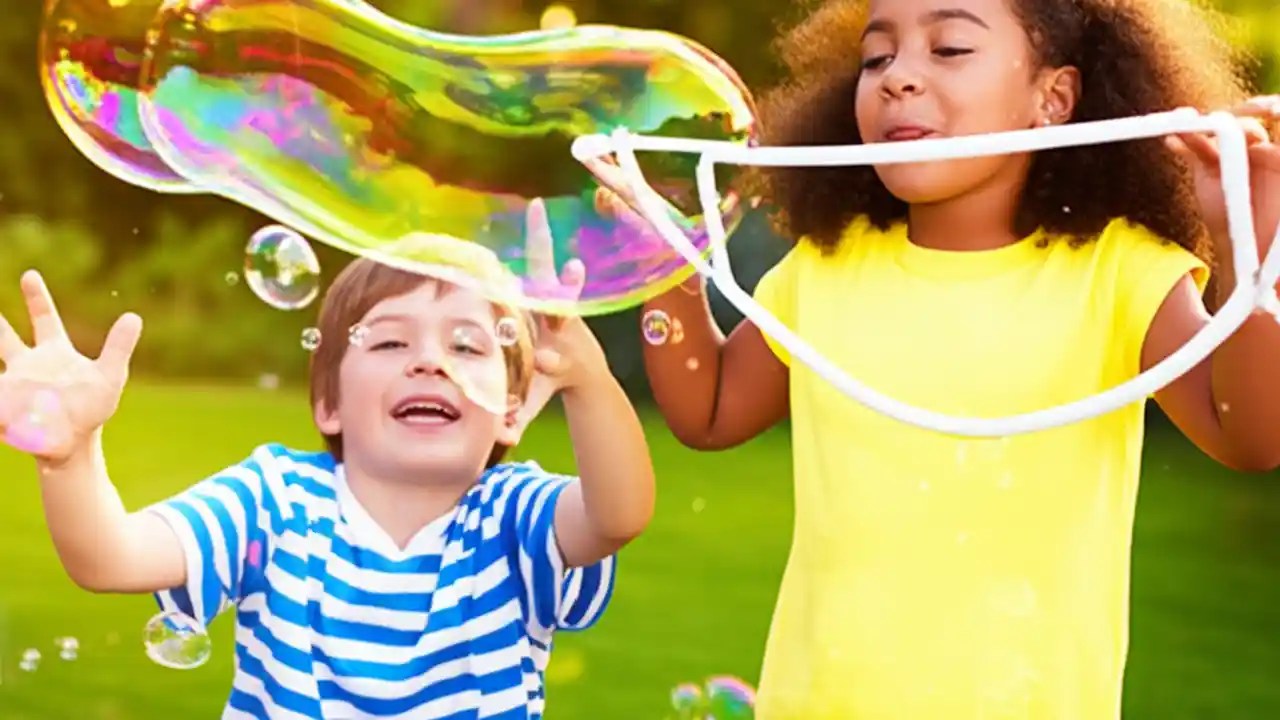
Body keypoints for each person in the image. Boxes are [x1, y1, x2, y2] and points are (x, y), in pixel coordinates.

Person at [640, 0, 1280, 718]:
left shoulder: (1120, 273)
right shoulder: (823, 268)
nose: (897, 78)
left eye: (948, 49)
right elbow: (710, 409)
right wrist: (658, 260)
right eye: (877, 56)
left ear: (1054, 98)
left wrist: (1249, 250)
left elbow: (1250, 436)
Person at [0, 199, 656, 718]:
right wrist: (69, 453)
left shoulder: (515, 516)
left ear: (512, 409)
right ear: (329, 405)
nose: (429, 361)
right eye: (391, 342)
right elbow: (108, 557)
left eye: (466, 346)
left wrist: (586, 379)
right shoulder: (275, 500)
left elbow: (620, 514)